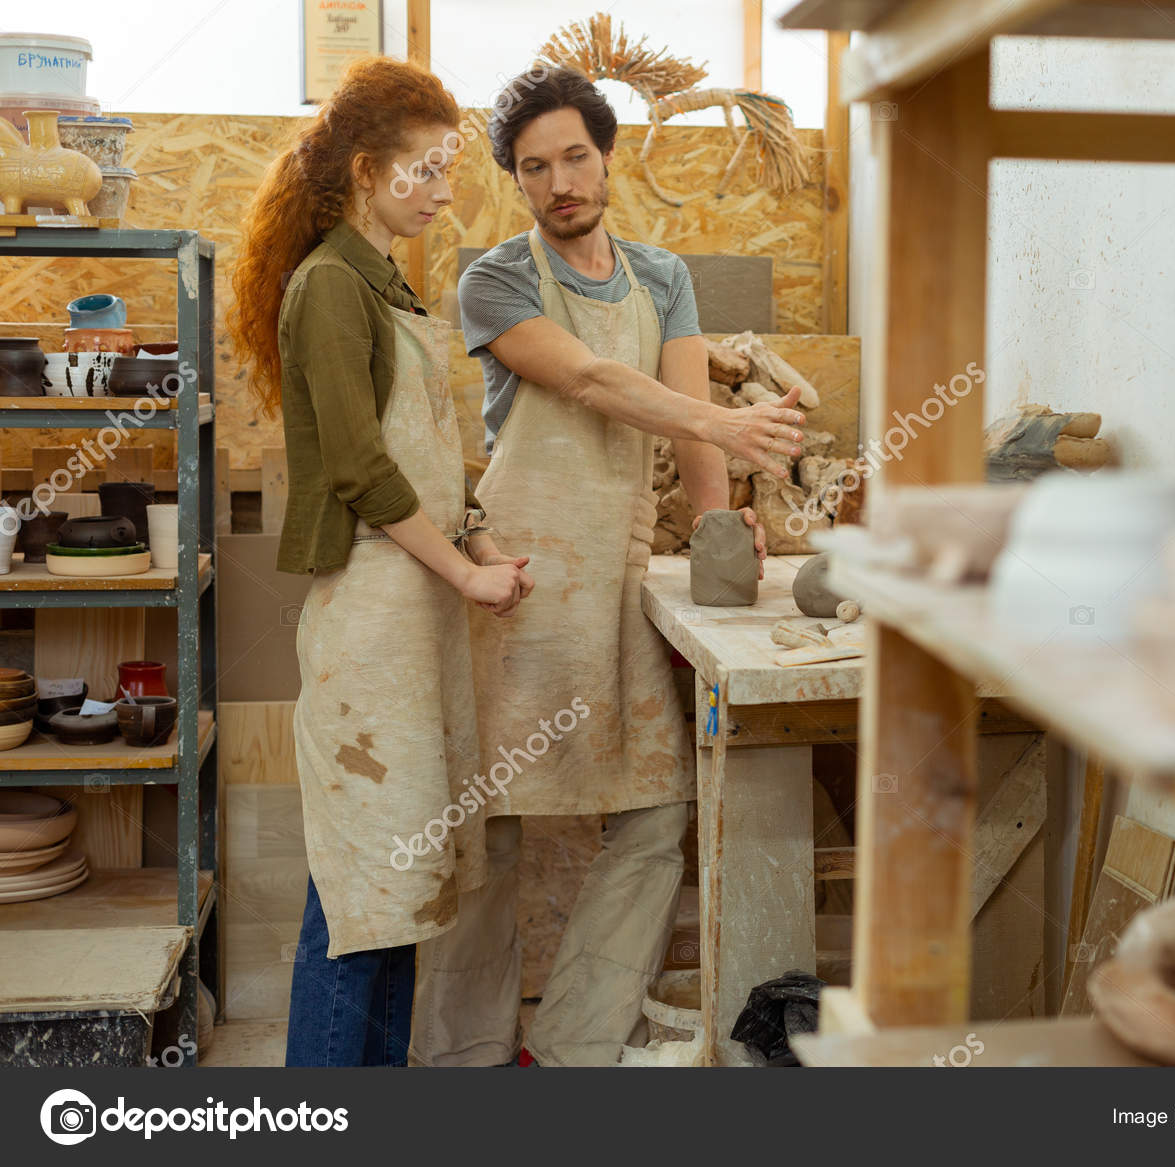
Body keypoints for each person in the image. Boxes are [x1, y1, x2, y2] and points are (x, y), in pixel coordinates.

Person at [410, 65, 805, 1067]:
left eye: (575, 158)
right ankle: (462, 1057)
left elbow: (689, 425)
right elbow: (590, 380)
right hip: (517, 580)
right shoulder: (494, 279)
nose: (560, 184)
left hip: (620, 581)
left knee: (655, 812)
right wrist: (728, 421)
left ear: (607, 154)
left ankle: (576, 1046)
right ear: (515, 179)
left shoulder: (662, 277)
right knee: (491, 825)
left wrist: (718, 529)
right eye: (534, 168)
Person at [229, 56, 535, 1067]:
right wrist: (467, 576)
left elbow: (430, 458)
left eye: (450, 170)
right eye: (428, 170)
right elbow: (361, 467)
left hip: (416, 608)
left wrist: (478, 536)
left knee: (401, 894)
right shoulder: (327, 285)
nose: (447, 192)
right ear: (366, 170)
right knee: (359, 898)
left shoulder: (386, 283)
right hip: (371, 609)